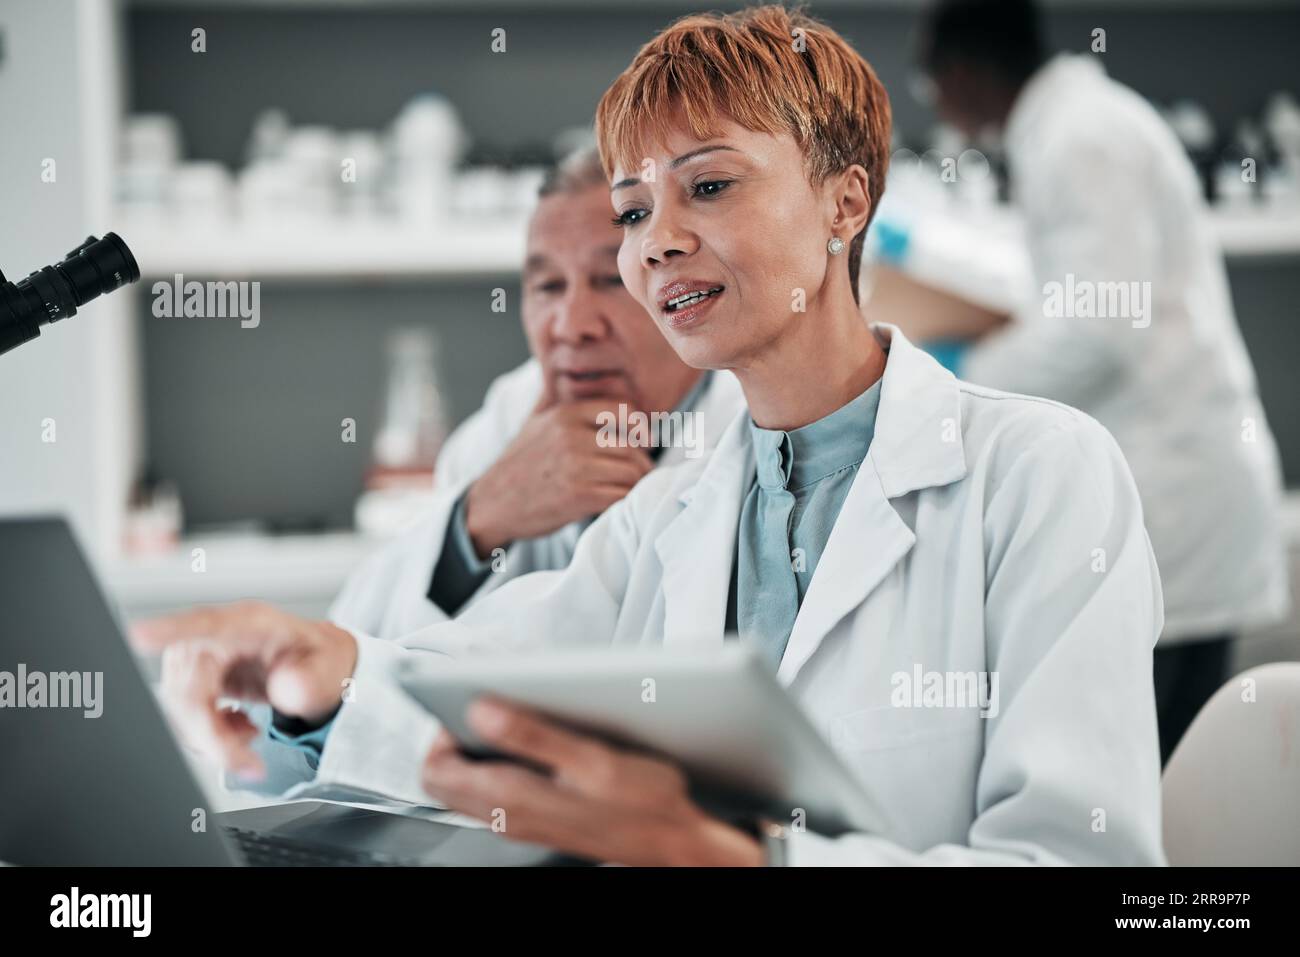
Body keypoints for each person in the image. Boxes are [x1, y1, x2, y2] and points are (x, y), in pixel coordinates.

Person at [136, 6, 1166, 866]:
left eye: (709, 187)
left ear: (845, 200)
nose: (658, 240)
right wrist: (320, 670)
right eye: (634, 209)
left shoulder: (1037, 477)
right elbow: (497, 703)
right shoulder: (678, 509)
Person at [915, 0, 1290, 763]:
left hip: (1175, 489)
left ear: (961, 73)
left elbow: (1098, 325)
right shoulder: (1074, 127)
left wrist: (961, 380)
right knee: (1154, 766)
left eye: (932, 89)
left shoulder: (1080, 137)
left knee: (1155, 775)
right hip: (1173, 478)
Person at [331, 147, 744, 639]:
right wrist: (478, 521)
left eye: (611, 280)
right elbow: (359, 647)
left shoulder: (751, 421)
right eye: (548, 286)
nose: (571, 327)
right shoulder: (505, 425)